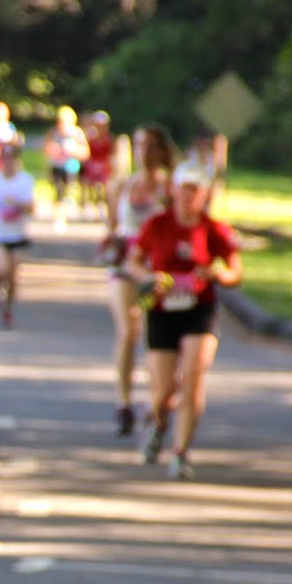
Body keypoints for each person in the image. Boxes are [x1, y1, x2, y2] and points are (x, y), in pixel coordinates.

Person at [124, 160, 243, 479]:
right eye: (185, 189)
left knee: (193, 377)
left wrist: (218, 273)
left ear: (205, 194)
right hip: (163, 310)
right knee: (164, 391)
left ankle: (181, 452)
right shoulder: (157, 225)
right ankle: (158, 423)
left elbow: (235, 271)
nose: (190, 196)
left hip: (199, 309)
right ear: (173, 190)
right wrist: (151, 277)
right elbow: (133, 263)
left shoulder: (213, 229)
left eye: (196, 190)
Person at [103, 123, 175, 436]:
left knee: (154, 336)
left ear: (161, 150)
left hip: (158, 270)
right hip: (125, 268)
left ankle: (156, 400)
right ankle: (124, 402)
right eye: (138, 144)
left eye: (149, 145)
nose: (143, 151)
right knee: (127, 331)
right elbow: (113, 228)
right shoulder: (121, 186)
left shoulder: (170, 189)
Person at [0, 142, 35, 328]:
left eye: (12, 158)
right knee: (2, 269)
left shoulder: (25, 180)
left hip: (18, 234)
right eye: (5, 157)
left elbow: (32, 208)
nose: (8, 162)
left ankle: (8, 309)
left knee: (13, 275)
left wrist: (18, 203)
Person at [43, 106, 89, 233]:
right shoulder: (53, 133)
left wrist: (74, 150)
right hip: (57, 166)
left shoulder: (77, 133)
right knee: (58, 192)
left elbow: (85, 152)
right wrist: (53, 149)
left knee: (69, 192)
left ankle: (68, 211)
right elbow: (45, 148)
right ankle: (59, 218)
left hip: (71, 167)